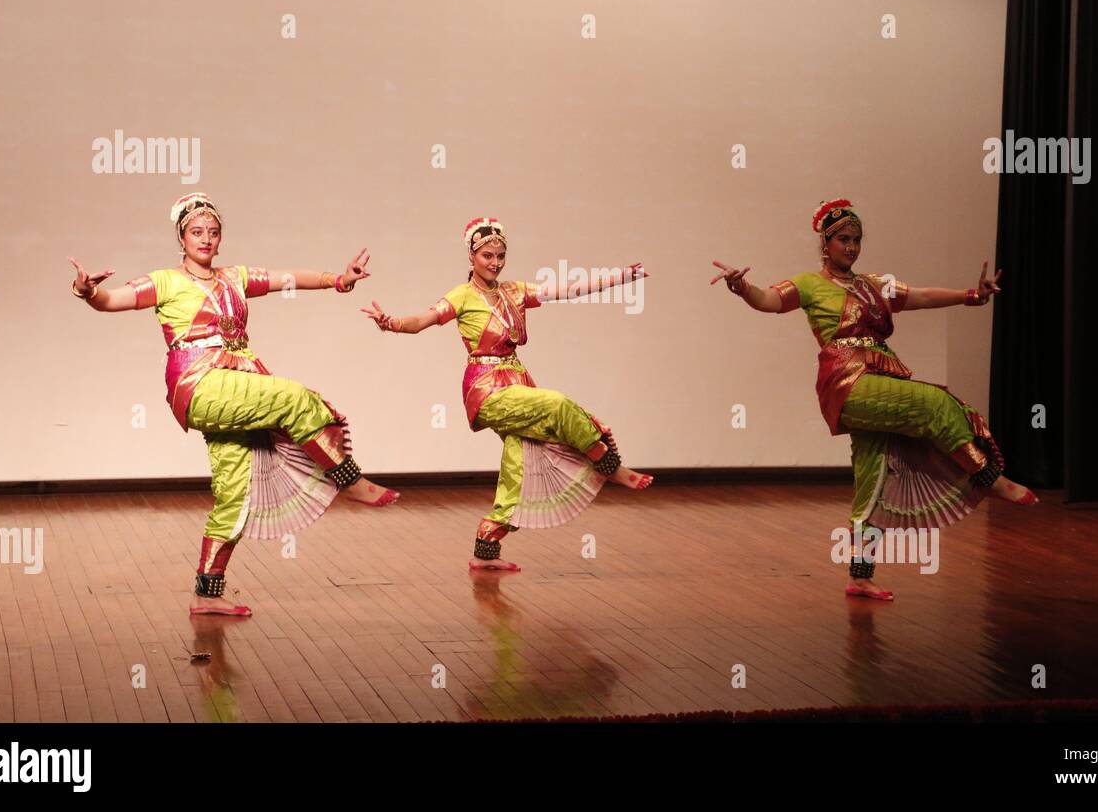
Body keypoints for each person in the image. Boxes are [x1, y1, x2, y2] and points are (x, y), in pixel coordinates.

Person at [67, 192, 398, 616]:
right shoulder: (165, 282)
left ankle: (207, 593)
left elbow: (287, 279)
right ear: (182, 238)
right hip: (200, 384)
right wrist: (87, 291)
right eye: (196, 232)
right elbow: (110, 301)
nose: (205, 238)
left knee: (233, 495)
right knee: (293, 398)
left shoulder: (235, 278)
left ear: (220, 239)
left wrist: (339, 279)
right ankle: (348, 479)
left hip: (237, 387)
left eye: (213, 232)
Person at [711, 197, 1035, 600]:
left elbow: (921, 296)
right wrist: (741, 286)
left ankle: (859, 575)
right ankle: (989, 478)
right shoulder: (810, 285)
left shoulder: (873, 285)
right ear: (825, 243)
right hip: (848, 382)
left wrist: (972, 295)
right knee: (935, 404)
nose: (851, 247)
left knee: (874, 478)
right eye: (843, 239)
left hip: (881, 373)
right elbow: (767, 301)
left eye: (857, 240)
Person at [362, 217, 651, 571]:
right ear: (471, 256)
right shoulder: (461, 296)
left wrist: (617, 279)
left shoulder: (514, 292)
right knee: (557, 404)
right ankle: (607, 464)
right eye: (487, 255)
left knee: (520, 460)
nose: (495, 262)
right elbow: (421, 322)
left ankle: (486, 546)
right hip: (486, 390)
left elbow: (566, 289)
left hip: (516, 381)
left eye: (500, 255)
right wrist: (390, 322)